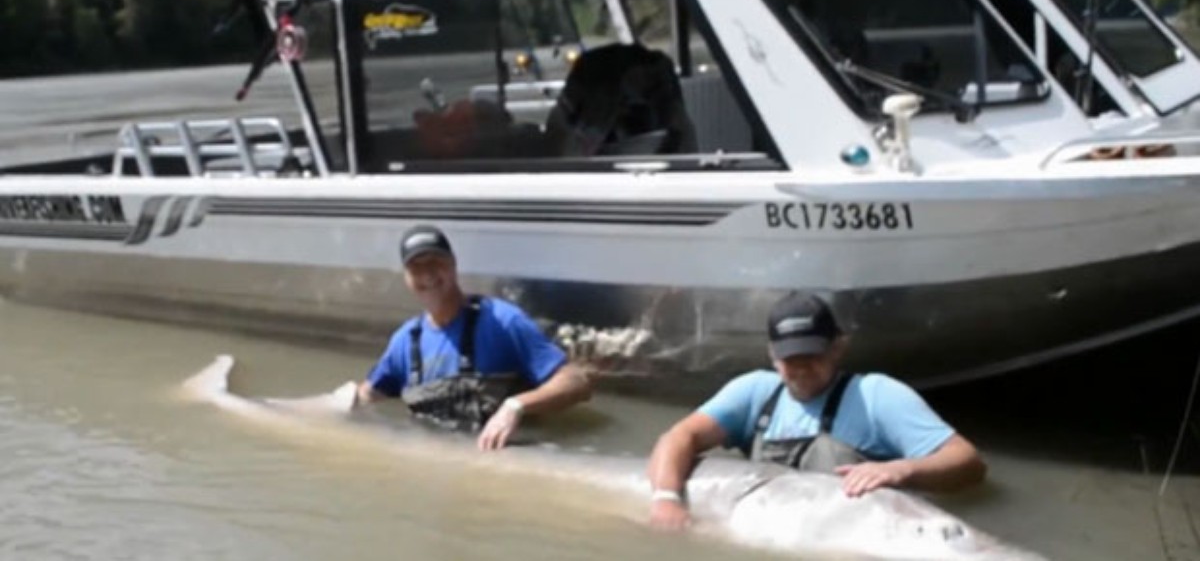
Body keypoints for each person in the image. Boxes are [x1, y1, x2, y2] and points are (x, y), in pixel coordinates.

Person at [645, 291, 986, 530]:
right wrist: (666, 499)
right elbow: (678, 437)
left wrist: (905, 469)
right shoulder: (755, 392)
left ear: (839, 347)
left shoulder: (877, 396)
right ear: (772, 354)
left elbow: (967, 462)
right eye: (789, 359)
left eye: (812, 356)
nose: (801, 368)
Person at [354, 224, 592, 450]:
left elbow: (577, 381)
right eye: (416, 266)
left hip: (502, 464)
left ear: (454, 265)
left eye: (436, 262)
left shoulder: (502, 321)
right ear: (406, 277)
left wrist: (516, 406)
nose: (427, 274)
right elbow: (365, 396)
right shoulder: (405, 341)